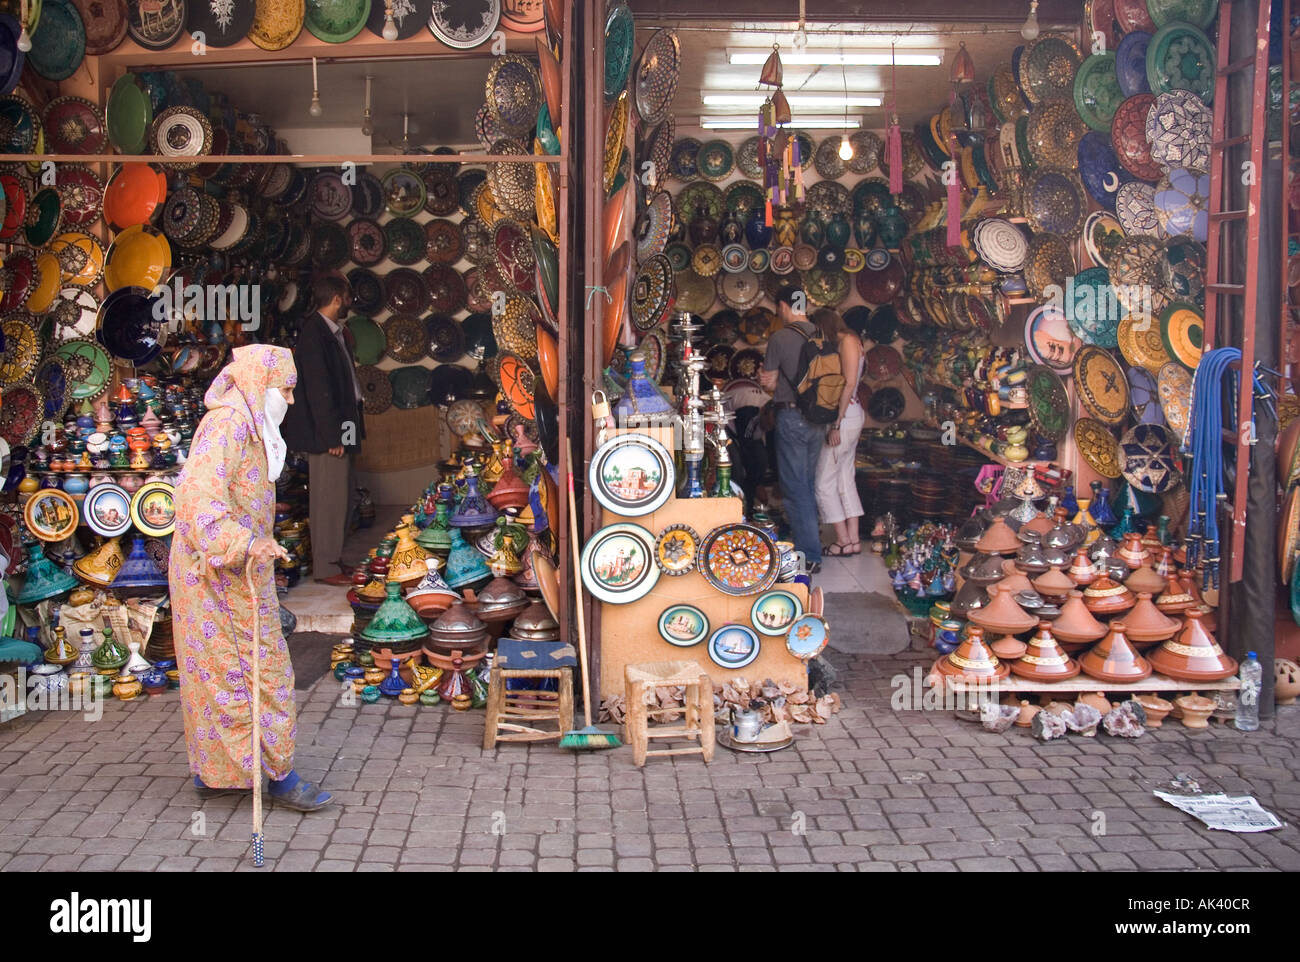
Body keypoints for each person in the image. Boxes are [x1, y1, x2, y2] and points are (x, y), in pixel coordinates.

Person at [169, 345, 333, 812]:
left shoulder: (251, 425)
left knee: (235, 669)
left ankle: (230, 769)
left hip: (241, 567)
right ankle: (272, 776)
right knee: (239, 671)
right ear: (262, 383)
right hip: (215, 568)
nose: (292, 400)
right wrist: (243, 542)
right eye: (287, 389)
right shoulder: (228, 424)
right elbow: (196, 498)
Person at [283, 274, 366, 586]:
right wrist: (334, 437)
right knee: (329, 498)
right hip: (328, 433)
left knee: (343, 494)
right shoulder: (314, 334)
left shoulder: (335, 332)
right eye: (346, 297)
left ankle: (334, 558)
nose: (349, 302)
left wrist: (345, 434)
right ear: (335, 299)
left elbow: (344, 390)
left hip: (345, 423)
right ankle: (325, 566)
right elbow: (321, 391)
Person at [759, 286, 823, 572]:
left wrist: (766, 378)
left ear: (783, 305)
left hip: (792, 417)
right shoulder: (822, 334)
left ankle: (809, 555)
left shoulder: (780, 337)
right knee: (807, 483)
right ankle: (810, 544)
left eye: (778, 308)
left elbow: (769, 384)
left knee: (795, 488)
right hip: (819, 419)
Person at [812, 308, 866, 556]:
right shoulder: (852, 339)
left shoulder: (847, 342)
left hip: (844, 417)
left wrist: (836, 423)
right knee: (845, 478)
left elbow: (849, 383)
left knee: (823, 482)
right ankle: (853, 539)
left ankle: (843, 539)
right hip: (852, 415)